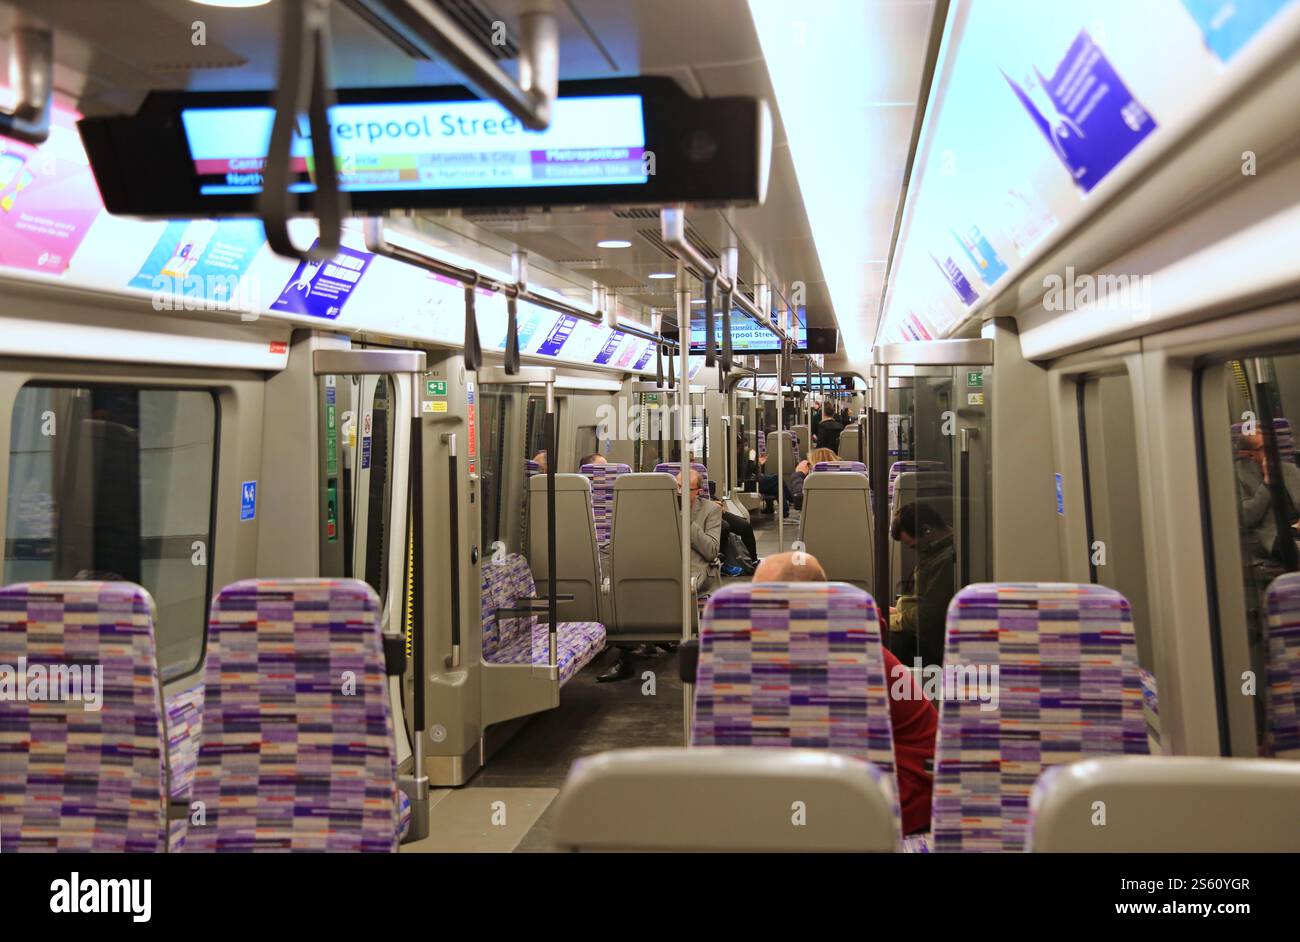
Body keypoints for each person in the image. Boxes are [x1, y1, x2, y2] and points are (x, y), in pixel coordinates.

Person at [751, 551, 937, 836]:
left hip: (902, 794)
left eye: (758, 603)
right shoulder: (807, 646)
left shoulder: (847, 657)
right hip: (862, 786)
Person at [598, 468, 722, 683]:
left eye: (684, 489)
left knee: (667, 587)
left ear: (698, 491)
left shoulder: (710, 510)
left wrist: (683, 518)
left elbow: (711, 549)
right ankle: (628, 654)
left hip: (695, 567)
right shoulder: (656, 508)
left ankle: (650, 643)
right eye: (675, 487)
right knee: (633, 586)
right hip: (660, 561)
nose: (677, 492)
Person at [887, 502, 956, 669]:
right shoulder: (938, 552)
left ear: (927, 531)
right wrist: (901, 607)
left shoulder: (946, 561)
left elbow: (928, 618)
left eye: (915, 546)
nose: (916, 551)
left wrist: (892, 620)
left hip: (933, 645)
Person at [1236, 429, 1300, 572]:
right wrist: (1267, 482)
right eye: (1266, 448)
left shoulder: (1289, 469)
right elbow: (1247, 518)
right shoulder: (1237, 476)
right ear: (1249, 454)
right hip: (1273, 535)